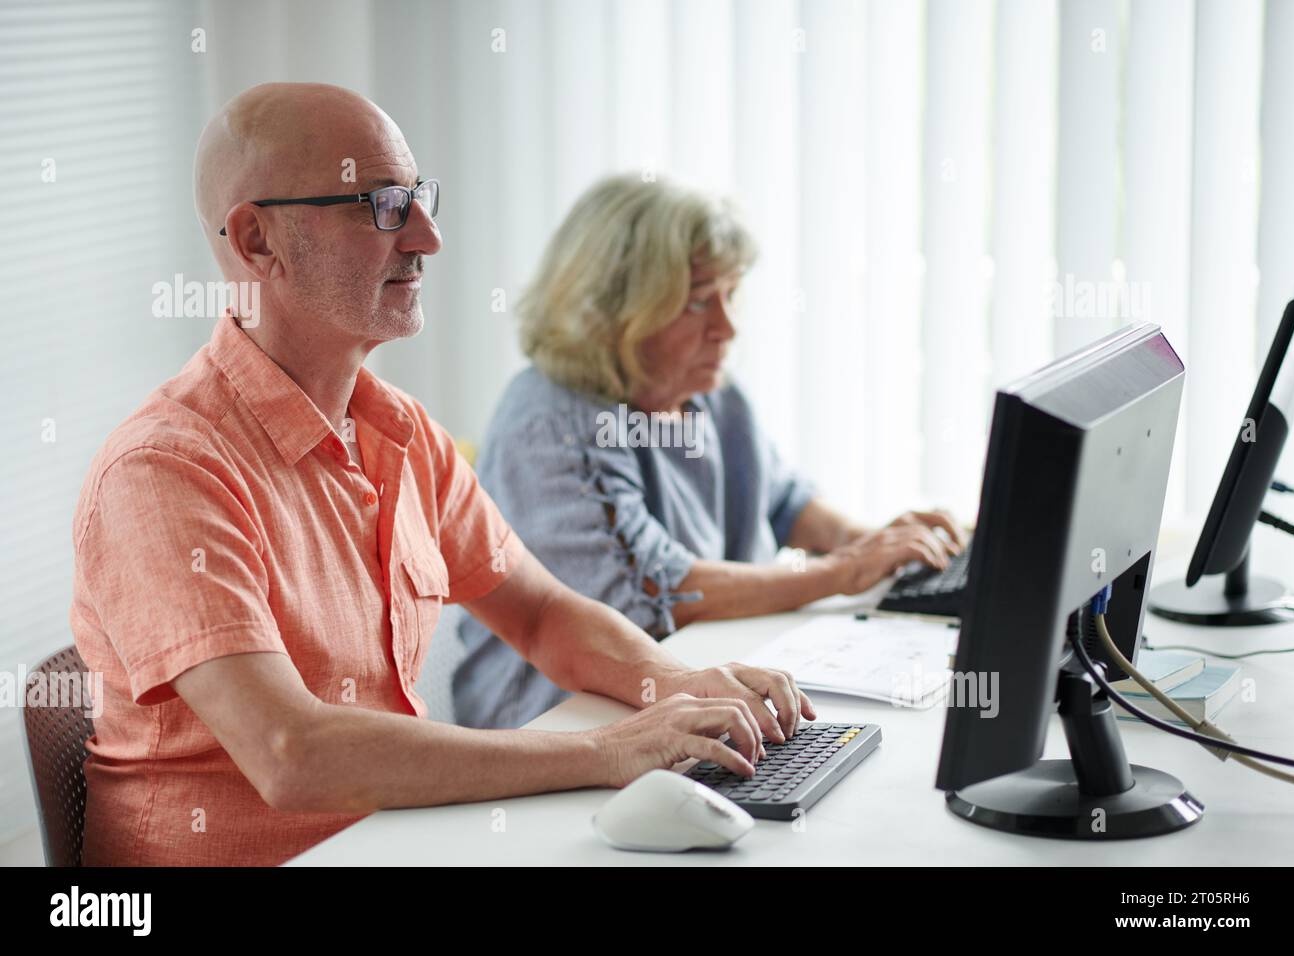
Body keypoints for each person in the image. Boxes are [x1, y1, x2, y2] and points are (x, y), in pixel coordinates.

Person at [70, 84, 813, 866]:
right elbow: (293, 751)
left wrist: (679, 688)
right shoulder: (163, 470)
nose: (427, 238)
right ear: (257, 241)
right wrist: (609, 750)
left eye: (418, 199)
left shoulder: (398, 431)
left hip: (394, 842)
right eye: (380, 206)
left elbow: (541, 615)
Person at [454, 174, 967, 729]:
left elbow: (783, 502)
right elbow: (654, 590)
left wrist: (870, 541)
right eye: (698, 302)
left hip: (689, 688)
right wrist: (843, 570)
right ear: (610, 311)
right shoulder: (551, 422)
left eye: (730, 294)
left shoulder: (707, 393)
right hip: (558, 719)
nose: (727, 327)